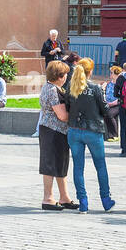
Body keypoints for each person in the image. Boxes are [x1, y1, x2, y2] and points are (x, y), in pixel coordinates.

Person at [66, 58, 115, 212]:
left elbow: (68, 107)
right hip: (93, 131)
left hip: (74, 130)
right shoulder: (95, 88)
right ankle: (106, 200)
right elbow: (105, 110)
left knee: (78, 167)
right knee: (100, 166)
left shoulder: (71, 87)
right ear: (90, 71)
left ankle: (83, 202)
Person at [39, 60, 77, 209]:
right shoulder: (52, 90)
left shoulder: (52, 87)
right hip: (52, 130)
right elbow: (62, 115)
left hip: (57, 131)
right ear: (59, 76)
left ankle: (64, 197)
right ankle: (48, 198)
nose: (67, 77)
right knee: (50, 164)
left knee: (61, 164)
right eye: (66, 74)